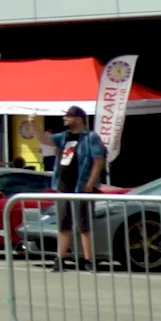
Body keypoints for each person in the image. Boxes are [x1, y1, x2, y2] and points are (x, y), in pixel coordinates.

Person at [36, 108, 107, 272]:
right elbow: (45, 140)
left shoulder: (90, 138)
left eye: (68, 116)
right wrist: (34, 125)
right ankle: (60, 260)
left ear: (79, 119)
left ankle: (88, 260)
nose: (64, 118)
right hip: (63, 187)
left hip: (80, 186)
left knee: (84, 224)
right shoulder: (65, 136)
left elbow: (98, 160)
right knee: (63, 224)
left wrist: (90, 183)